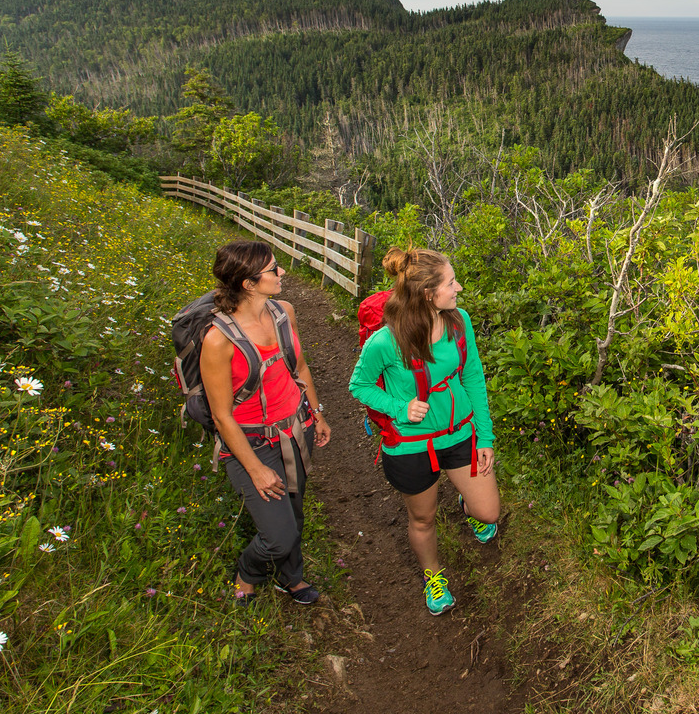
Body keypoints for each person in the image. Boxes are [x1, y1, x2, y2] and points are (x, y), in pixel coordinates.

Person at [349, 246, 499, 615]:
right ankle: (433, 576)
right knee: (423, 517)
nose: (459, 288)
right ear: (428, 294)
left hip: (460, 433)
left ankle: (469, 502)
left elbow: (473, 378)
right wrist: (399, 407)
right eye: (451, 282)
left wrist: (485, 436)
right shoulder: (385, 341)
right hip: (409, 446)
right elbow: (360, 384)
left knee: (489, 513)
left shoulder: (459, 321)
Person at [200, 240, 332, 604]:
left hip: (295, 428)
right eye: (274, 269)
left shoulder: (283, 312)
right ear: (248, 283)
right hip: (252, 442)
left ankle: (291, 578)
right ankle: (249, 571)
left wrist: (316, 415)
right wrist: (255, 468)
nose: (282, 273)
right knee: (278, 534)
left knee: (294, 512)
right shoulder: (218, 340)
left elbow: (299, 366)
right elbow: (221, 416)